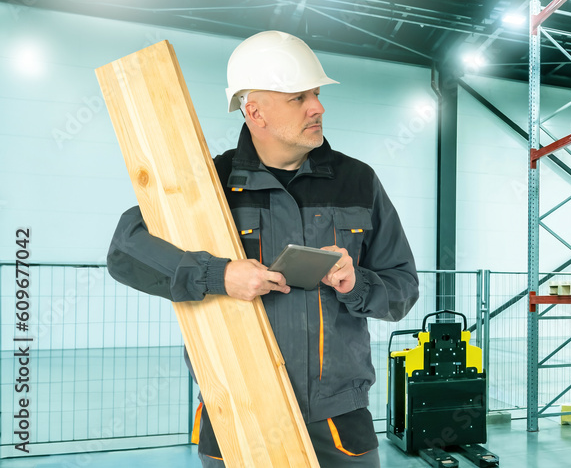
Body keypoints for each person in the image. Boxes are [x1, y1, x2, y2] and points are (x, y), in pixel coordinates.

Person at [107, 30, 419, 467]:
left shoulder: (359, 181)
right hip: (237, 410)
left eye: (315, 94)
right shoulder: (207, 185)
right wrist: (219, 275)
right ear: (255, 111)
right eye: (298, 98)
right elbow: (125, 252)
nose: (318, 107)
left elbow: (403, 287)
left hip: (339, 417)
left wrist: (357, 283)